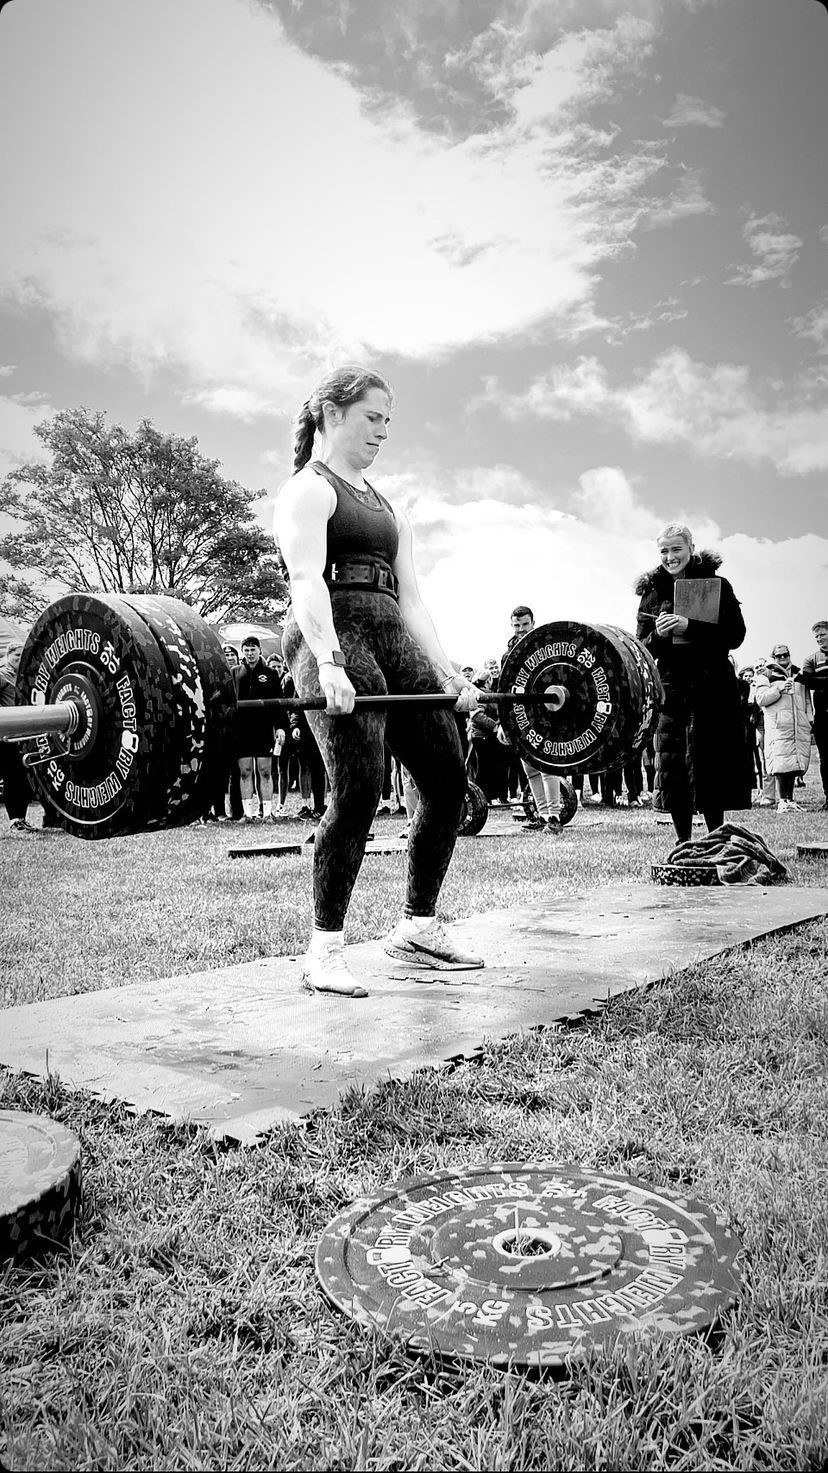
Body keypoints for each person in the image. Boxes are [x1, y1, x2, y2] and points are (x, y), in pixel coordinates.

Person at [273, 364, 483, 997]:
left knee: (447, 781)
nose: (383, 432)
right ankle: (324, 949)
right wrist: (329, 661)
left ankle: (417, 927)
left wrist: (448, 673)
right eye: (373, 417)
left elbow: (412, 599)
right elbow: (306, 580)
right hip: (333, 633)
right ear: (333, 414)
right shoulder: (308, 491)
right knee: (358, 789)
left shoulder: (388, 508)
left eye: (388, 421)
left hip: (391, 635)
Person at [634, 524, 753, 842]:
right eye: (664, 550)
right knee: (673, 767)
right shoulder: (651, 592)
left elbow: (735, 635)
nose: (670, 556)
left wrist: (691, 626)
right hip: (672, 689)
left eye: (676, 549)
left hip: (712, 687)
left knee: (712, 762)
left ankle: (716, 838)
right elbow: (641, 646)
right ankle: (683, 841)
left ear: (691, 548)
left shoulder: (718, 585)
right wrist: (659, 635)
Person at [495, 606, 564, 833]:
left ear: (532, 623)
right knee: (530, 769)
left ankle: (554, 817)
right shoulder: (508, 655)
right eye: (517, 625)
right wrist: (503, 723)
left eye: (525, 624)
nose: (521, 629)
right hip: (520, 717)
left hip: (545, 715)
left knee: (546, 765)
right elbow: (503, 691)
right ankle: (542, 816)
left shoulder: (545, 647)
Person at [234, 636, 288, 822]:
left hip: (263, 729)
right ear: (243, 652)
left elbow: (279, 703)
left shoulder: (270, 673)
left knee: (265, 771)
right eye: (246, 650)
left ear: (259, 650)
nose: (250, 654)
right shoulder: (235, 673)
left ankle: (267, 814)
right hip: (242, 730)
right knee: (245, 771)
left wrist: (281, 727)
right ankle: (248, 814)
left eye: (253, 650)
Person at [753, 657, 813, 811]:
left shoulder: (798, 674)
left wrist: (808, 718)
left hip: (796, 725)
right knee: (781, 764)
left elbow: (806, 699)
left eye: (785, 654)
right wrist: (779, 689)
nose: (782, 658)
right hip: (778, 726)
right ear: (773, 657)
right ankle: (782, 801)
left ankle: (790, 800)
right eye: (778, 655)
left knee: (793, 764)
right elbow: (761, 699)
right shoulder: (766, 675)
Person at [800, 621, 828, 810]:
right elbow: (807, 681)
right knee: (825, 760)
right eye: (816, 636)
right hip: (823, 718)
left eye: (822, 634)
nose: (819, 638)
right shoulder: (811, 659)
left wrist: (818, 681)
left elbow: (812, 680)